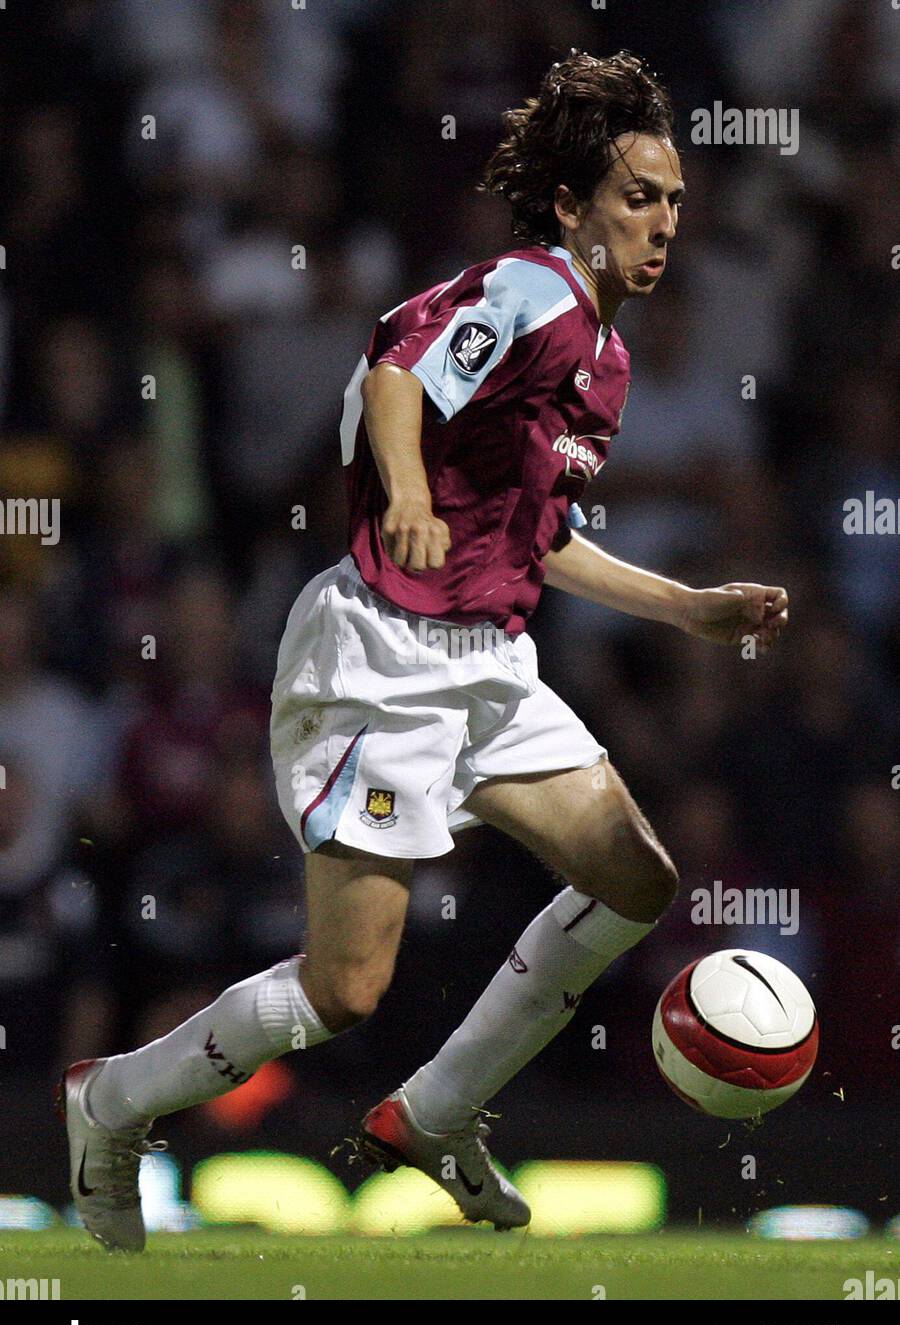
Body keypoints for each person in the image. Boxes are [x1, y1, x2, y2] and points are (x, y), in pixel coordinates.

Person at [60, 50, 788, 1251]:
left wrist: (686, 606)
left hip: (488, 664)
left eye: (674, 201)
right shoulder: (533, 289)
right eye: (637, 197)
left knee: (638, 876)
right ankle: (113, 1099)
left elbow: (535, 536)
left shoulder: (601, 357)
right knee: (346, 991)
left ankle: (437, 1112)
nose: (662, 224)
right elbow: (398, 378)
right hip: (381, 660)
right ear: (572, 205)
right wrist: (401, 489)